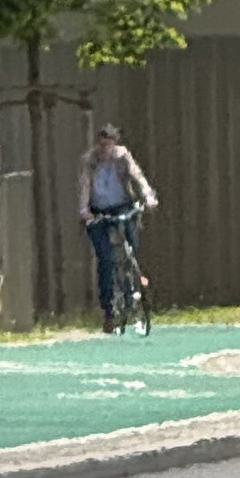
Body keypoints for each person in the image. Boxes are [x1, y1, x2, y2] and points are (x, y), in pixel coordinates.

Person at [77, 122, 156, 329]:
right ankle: (109, 311)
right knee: (106, 259)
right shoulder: (89, 161)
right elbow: (85, 185)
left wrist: (148, 195)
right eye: (101, 145)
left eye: (108, 145)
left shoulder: (122, 157)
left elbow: (137, 175)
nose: (104, 150)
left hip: (122, 206)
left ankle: (134, 287)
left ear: (114, 145)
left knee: (131, 247)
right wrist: (84, 211)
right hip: (98, 212)